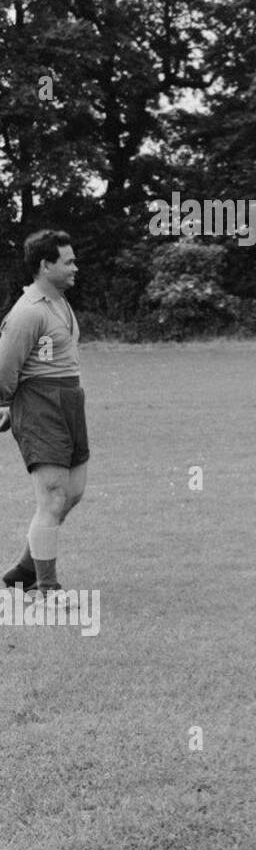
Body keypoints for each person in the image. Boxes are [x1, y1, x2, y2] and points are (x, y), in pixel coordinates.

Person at [0, 230, 89, 594]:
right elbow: (5, 366)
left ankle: (22, 572)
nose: (75, 267)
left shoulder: (60, 303)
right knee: (52, 496)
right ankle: (47, 588)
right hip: (40, 405)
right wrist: (5, 404)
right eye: (67, 261)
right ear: (45, 265)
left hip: (69, 401)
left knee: (73, 493)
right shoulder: (27, 312)